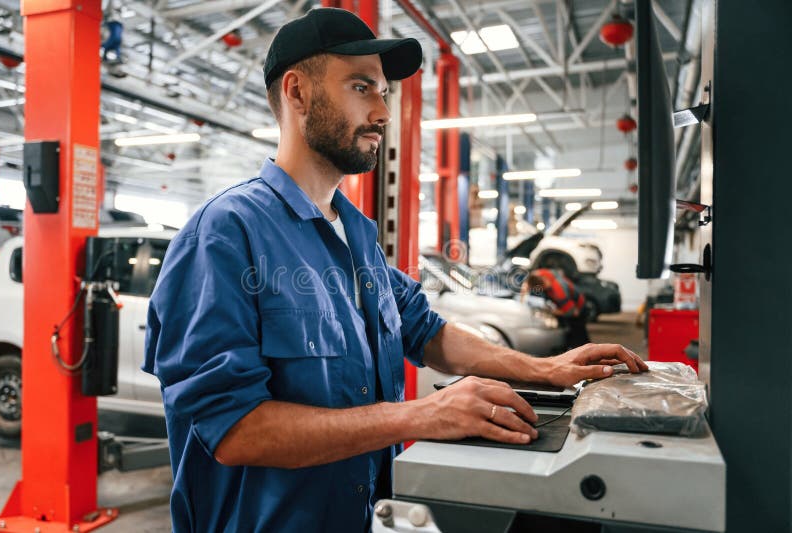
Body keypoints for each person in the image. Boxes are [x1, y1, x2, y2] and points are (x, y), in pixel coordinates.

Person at [143, 8, 648, 533]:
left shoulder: (357, 233)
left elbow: (425, 331)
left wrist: (546, 369)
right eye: (362, 87)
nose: (383, 112)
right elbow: (235, 431)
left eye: (384, 93)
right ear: (296, 93)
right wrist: (424, 415)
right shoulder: (225, 234)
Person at [521, 268, 590, 348]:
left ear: (542, 287)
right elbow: (530, 279)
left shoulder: (559, 291)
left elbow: (572, 312)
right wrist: (525, 288)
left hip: (579, 307)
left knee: (578, 336)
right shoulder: (540, 274)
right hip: (568, 303)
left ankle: (588, 352)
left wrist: (552, 312)